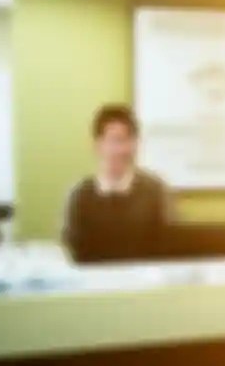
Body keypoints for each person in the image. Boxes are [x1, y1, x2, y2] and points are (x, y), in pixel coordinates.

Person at [62, 104, 174, 263]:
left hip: (143, 277)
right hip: (94, 277)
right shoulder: (80, 196)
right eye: (115, 140)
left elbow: (168, 246)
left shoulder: (155, 191)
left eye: (128, 140)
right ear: (98, 145)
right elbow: (72, 249)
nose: (122, 149)